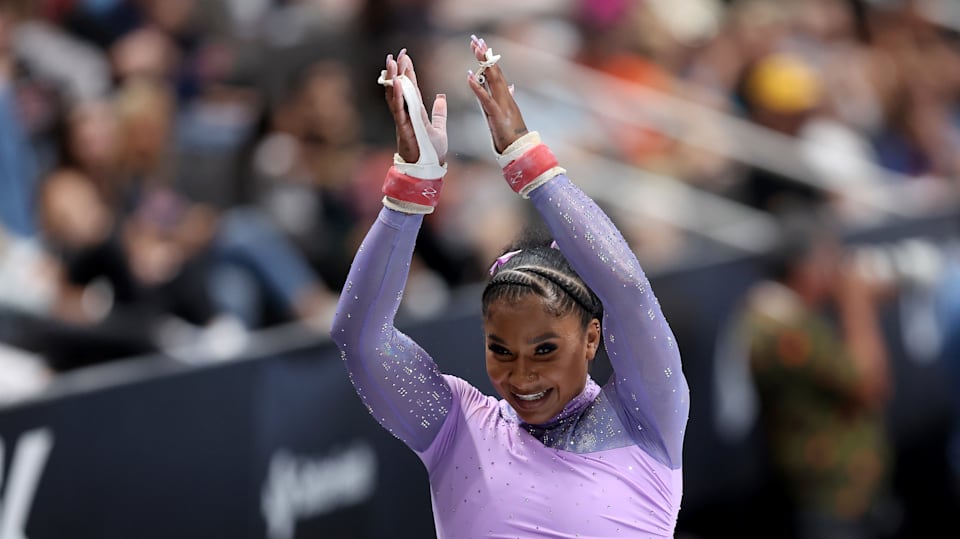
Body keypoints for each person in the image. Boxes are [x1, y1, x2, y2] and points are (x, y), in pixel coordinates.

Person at [331, 36, 689, 537]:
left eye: (544, 349)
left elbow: (629, 292)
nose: (521, 377)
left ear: (591, 338)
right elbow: (360, 337)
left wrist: (531, 164)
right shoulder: (458, 427)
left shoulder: (644, 419)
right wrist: (411, 190)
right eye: (501, 350)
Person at [738, 207, 895, 539]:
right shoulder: (781, 329)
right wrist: (857, 302)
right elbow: (868, 384)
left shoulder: (793, 319)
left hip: (852, 501)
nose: (837, 269)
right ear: (803, 266)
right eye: (829, 258)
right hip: (829, 506)